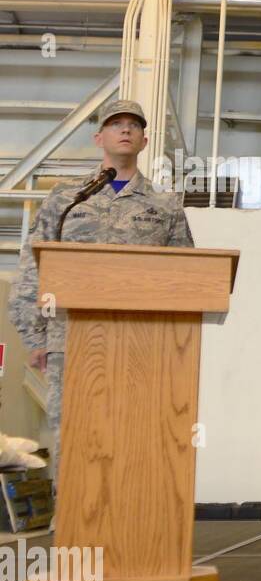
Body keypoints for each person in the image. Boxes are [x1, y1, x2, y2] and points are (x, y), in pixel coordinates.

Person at [7, 99, 193, 490]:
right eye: (115, 124)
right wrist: (35, 337)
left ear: (144, 140)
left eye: (133, 125)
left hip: (144, 344)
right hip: (70, 339)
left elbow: (186, 276)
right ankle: (72, 522)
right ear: (99, 137)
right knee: (73, 433)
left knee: (137, 433)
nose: (125, 130)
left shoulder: (166, 206)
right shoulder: (66, 198)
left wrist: (179, 346)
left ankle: (133, 521)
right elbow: (32, 269)